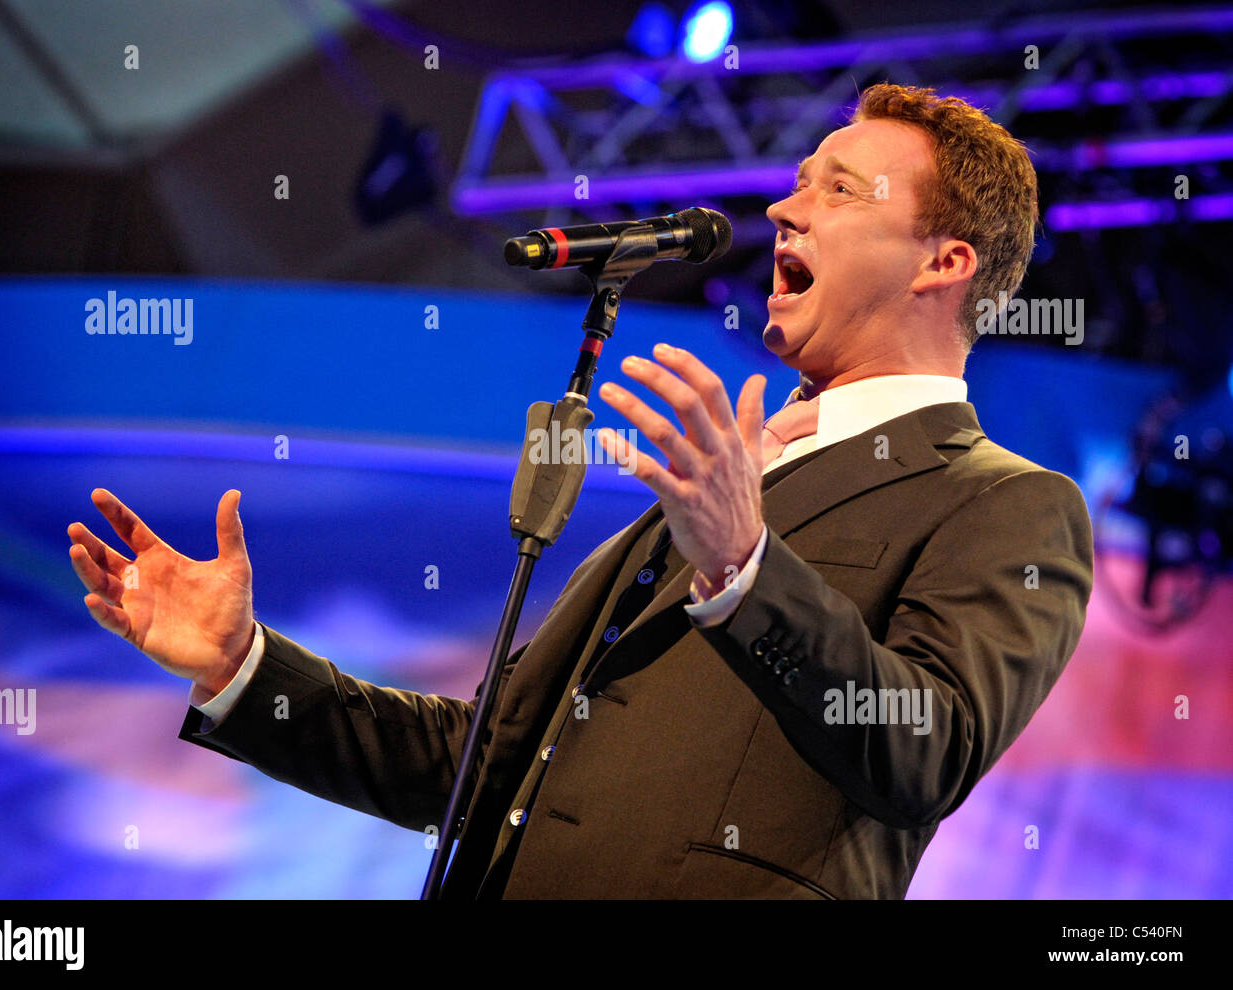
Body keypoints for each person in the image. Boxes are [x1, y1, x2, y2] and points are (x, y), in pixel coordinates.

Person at [67, 83, 1093, 899]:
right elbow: (469, 765)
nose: (783, 205)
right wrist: (243, 668)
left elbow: (922, 750)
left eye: (837, 189)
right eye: (797, 182)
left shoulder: (1006, 505)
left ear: (943, 263)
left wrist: (744, 568)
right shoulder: (710, 497)